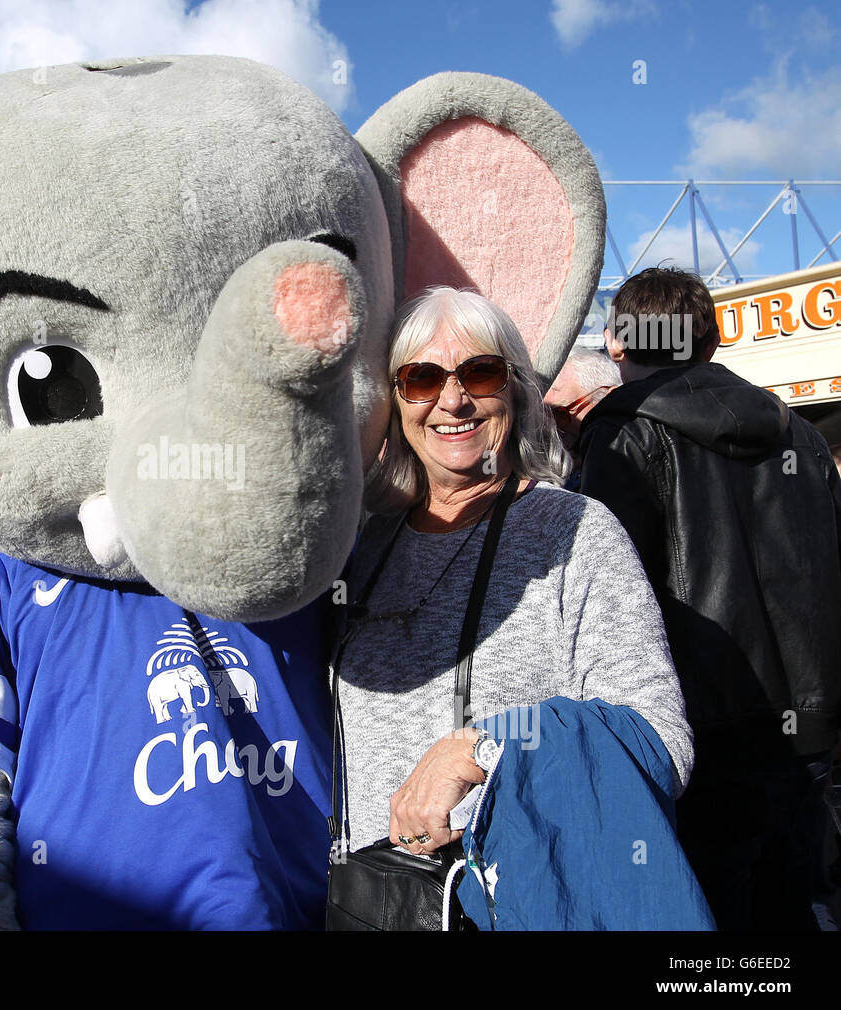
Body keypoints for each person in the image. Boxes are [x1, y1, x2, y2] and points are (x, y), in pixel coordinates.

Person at [340, 287, 693, 877]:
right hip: (367, 904)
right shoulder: (369, 545)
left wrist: (480, 749)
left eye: (480, 373)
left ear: (516, 392)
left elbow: (660, 742)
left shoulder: (573, 531)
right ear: (395, 403)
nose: (453, 401)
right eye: (423, 379)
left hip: (515, 900)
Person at [578, 266, 841, 930]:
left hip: (700, 742)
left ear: (617, 341)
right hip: (809, 730)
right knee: (801, 906)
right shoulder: (803, 437)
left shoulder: (620, 432)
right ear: (712, 340)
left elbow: (607, 596)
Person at [543, 347, 619, 488]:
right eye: (542, 416)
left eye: (560, 414)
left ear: (608, 398)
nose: (551, 428)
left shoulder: (633, 470)